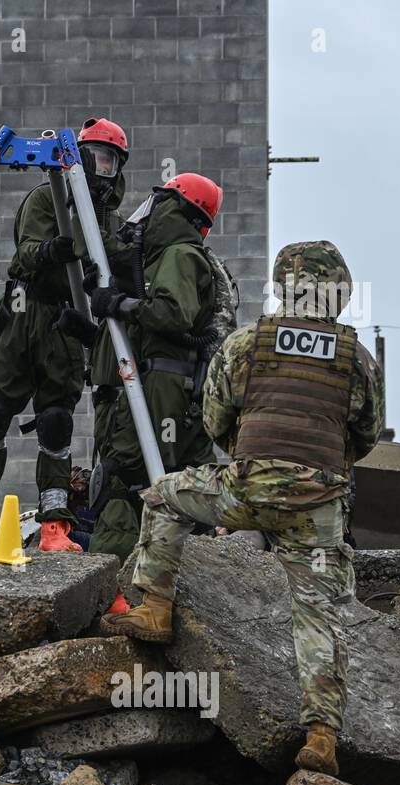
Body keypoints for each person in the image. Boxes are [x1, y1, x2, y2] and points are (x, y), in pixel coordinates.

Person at [102, 241, 385, 777]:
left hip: (245, 489)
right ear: (340, 293)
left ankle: (156, 610)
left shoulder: (246, 342)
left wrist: (249, 457)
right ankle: (322, 737)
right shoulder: (357, 359)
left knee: (164, 495)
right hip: (320, 506)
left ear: (284, 285)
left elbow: (214, 417)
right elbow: (366, 434)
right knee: (316, 614)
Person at [0, 118, 132, 551]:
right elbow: (27, 251)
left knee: (56, 420)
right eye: (101, 159)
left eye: (114, 162)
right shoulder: (46, 198)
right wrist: (55, 249)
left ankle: (56, 525)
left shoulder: (109, 220)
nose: (106, 170)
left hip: (64, 322)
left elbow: (116, 264)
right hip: (22, 314)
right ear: (85, 158)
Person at [81, 172, 225, 562]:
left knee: (126, 480)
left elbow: (171, 314)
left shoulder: (179, 255)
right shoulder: (165, 258)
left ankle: (112, 587)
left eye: (159, 204)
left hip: (161, 389)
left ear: (175, 209)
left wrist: (118, 304)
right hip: (165, 387)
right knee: (165, 486)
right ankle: (177, 579)